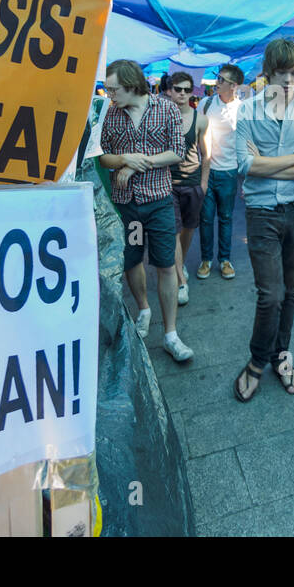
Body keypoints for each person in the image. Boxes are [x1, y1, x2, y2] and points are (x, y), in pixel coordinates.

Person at [232, 40, 294, 402]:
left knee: (291, 291)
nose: (288, 80)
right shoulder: (248, 112)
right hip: (260, 214)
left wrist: (269, 164)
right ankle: (257, 361)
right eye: (281, 73)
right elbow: (245, 166)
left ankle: (281, 355)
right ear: (268, 73)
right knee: (270, 295)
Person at [98, 59, 194, 362]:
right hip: (128, 204)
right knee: (133, 259)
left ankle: (170, 334)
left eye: (114, 89)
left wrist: (142, 161)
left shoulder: (165, 108)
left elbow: (177, 152)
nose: (110, 94)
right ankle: (143, 309)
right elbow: (103, 157)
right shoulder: (110, 114)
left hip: (159, 202)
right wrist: (125, 159)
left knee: (166, 265)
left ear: (131, 85)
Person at [163, 72, 209, 305]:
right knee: (173, 232)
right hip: (167, 184)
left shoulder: (200, 119)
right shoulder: (160, 117)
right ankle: (181, 281)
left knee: (188, 229)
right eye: (177, 89)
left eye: (186, 90)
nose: (182, 94)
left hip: (192, 184)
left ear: (192, 92)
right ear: (169, 90)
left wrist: (203, 183)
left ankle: (180, 264)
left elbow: (205, 154)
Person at [196, 64, 244, 281]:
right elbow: (196, 134)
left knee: (225, 217)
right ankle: (206, 259)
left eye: (222, 80)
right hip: (206, 171)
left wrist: (247, 177)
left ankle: (224, 259)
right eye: (217, 78)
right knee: (205, 218)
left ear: (234, 85)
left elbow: (247, 142)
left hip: (229, 172)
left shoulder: (243, 109)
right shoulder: (205, 104)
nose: (217, 82)